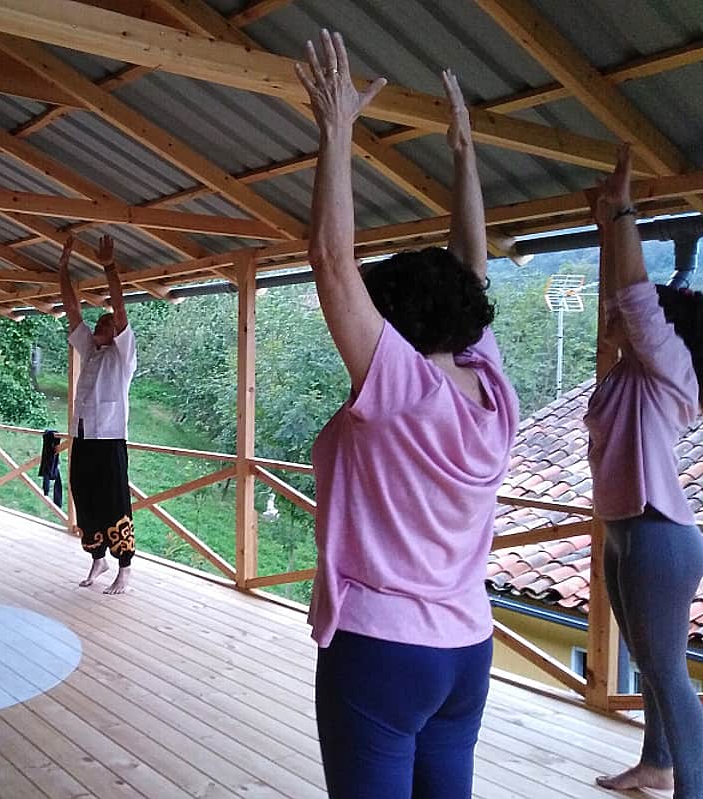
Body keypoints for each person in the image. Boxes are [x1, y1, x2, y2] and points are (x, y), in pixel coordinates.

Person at [296, 32, 519, 798]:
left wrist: (337, 132)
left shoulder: (398, 390)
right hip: (467, 648)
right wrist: (464, 157)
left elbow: (331, 260)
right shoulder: (491, 387)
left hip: (383, 650)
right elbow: (473, 266)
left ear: (392, 324)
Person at [584, 143, 703, 799]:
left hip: (658, 535)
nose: (618, 319)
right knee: (652, 666)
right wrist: (607, 227)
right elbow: (619, 300)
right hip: (626, 532)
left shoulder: (670, 368)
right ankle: (657, 766)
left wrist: (624, 210)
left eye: (637, 319)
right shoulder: (632, 370)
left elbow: (632, 298)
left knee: (666, 668)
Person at [58, 234, 137, 595]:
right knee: (84, 495)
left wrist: (109, 266)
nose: (98, 327)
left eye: (103, 325)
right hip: (85, 436)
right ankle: (97, 557)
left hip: (109, 439)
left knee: (115, 500)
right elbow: (72, 310)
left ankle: (124, 567)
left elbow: (119, 311)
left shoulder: (123, 358)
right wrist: (63, 268)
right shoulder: (90, 352)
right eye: (99, 326)